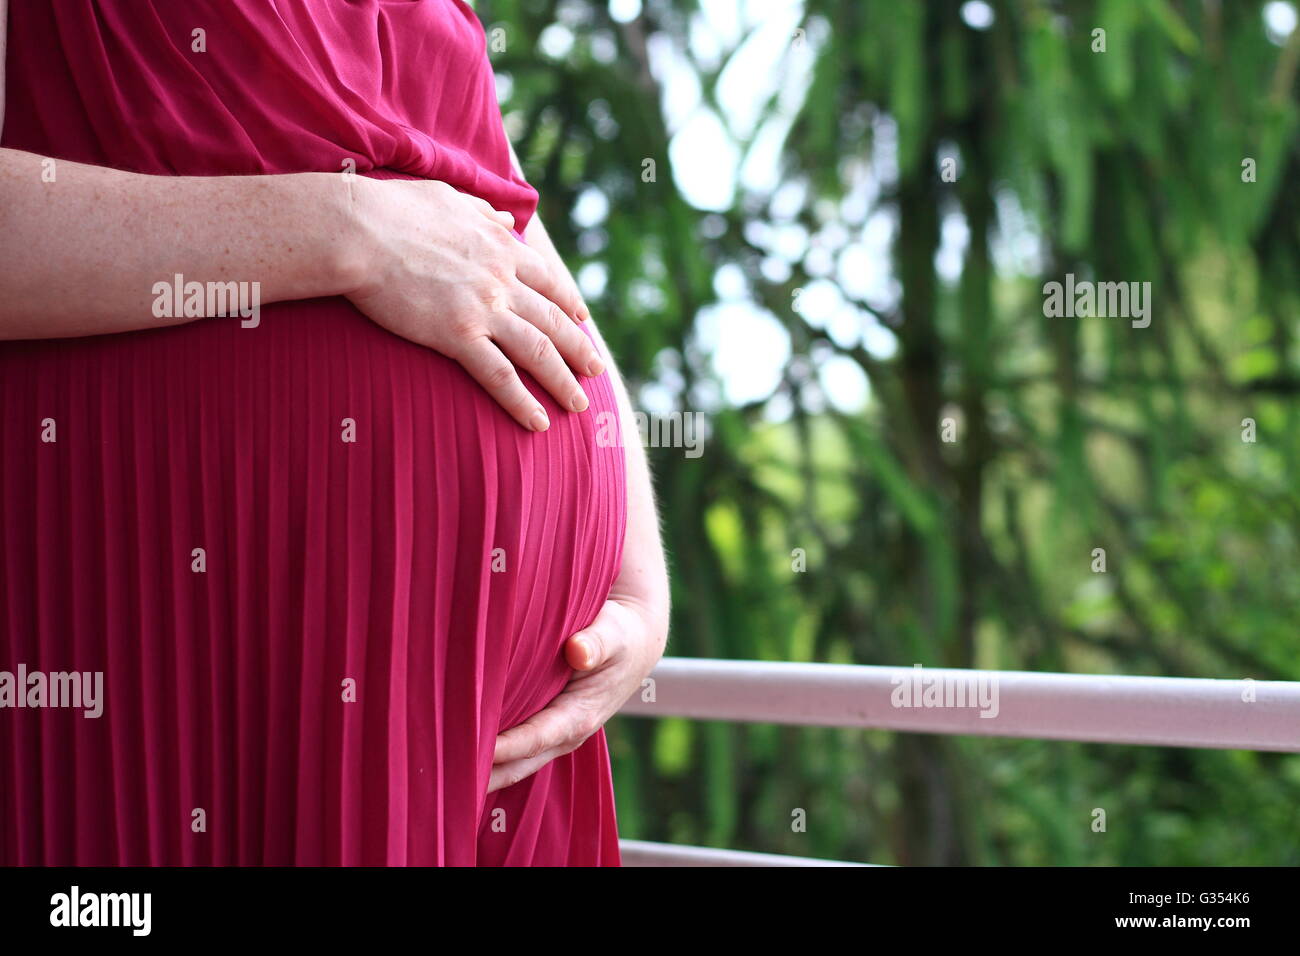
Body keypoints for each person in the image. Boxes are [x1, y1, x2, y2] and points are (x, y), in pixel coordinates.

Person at [0, 0, 668, 866]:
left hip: (488, 710)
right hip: (184, 626)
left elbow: (501, 237)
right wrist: (341, 230)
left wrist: (637, 579)